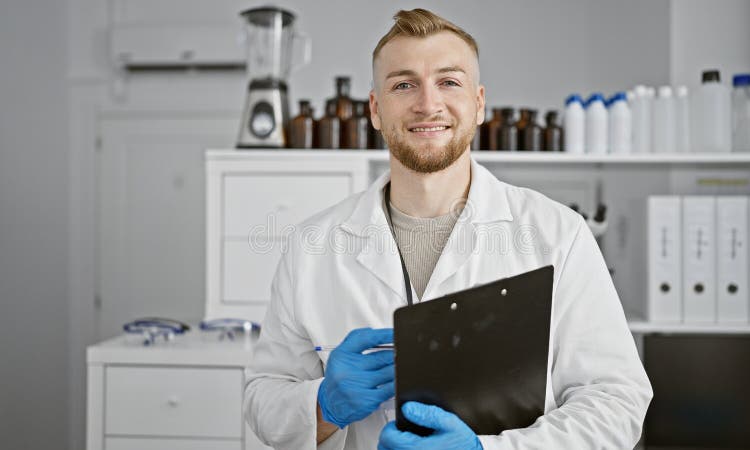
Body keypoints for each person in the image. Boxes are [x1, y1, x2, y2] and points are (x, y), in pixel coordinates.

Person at [244, 8, 652, 450]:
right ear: (376, 111)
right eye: (403, 84)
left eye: (448, 82)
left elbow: (616, 402)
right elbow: (263, 397)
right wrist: (324, 406)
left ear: (478, 104)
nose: (427, 104)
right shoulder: (311, 248)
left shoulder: (559, 234)